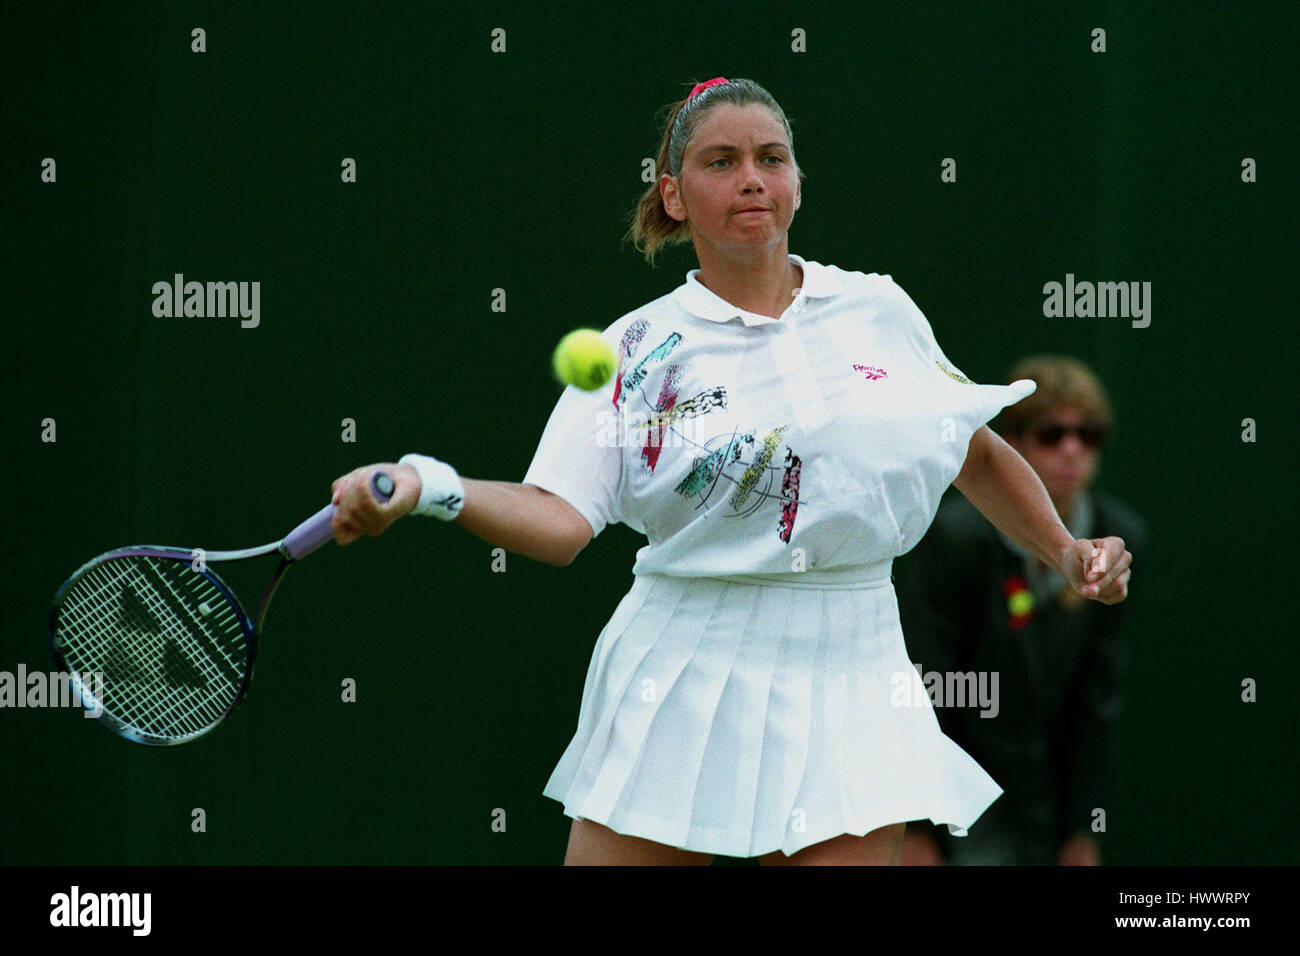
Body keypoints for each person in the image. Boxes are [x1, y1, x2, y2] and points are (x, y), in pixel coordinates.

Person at [326, 77, 1134, 866]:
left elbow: (976, 450)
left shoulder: (881, 309)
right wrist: (433, 487)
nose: (751, 178)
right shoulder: (634, 350)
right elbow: (559, 518)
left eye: (771, 157)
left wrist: (1064, 551)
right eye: (720, 162)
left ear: (796, 182)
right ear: (673, 195)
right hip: (683, 665)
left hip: (853, 662)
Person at [894, 357, 1148, 865]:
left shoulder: (1120, 538)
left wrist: (1082, 830)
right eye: (1051, 433)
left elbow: (1096, 701)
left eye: (1088, 433)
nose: (1072, 449)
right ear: (1011, 443)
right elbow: (922, 686)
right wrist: (918, 828)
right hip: (962, 797)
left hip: (1046, 802)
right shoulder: (954, 538)